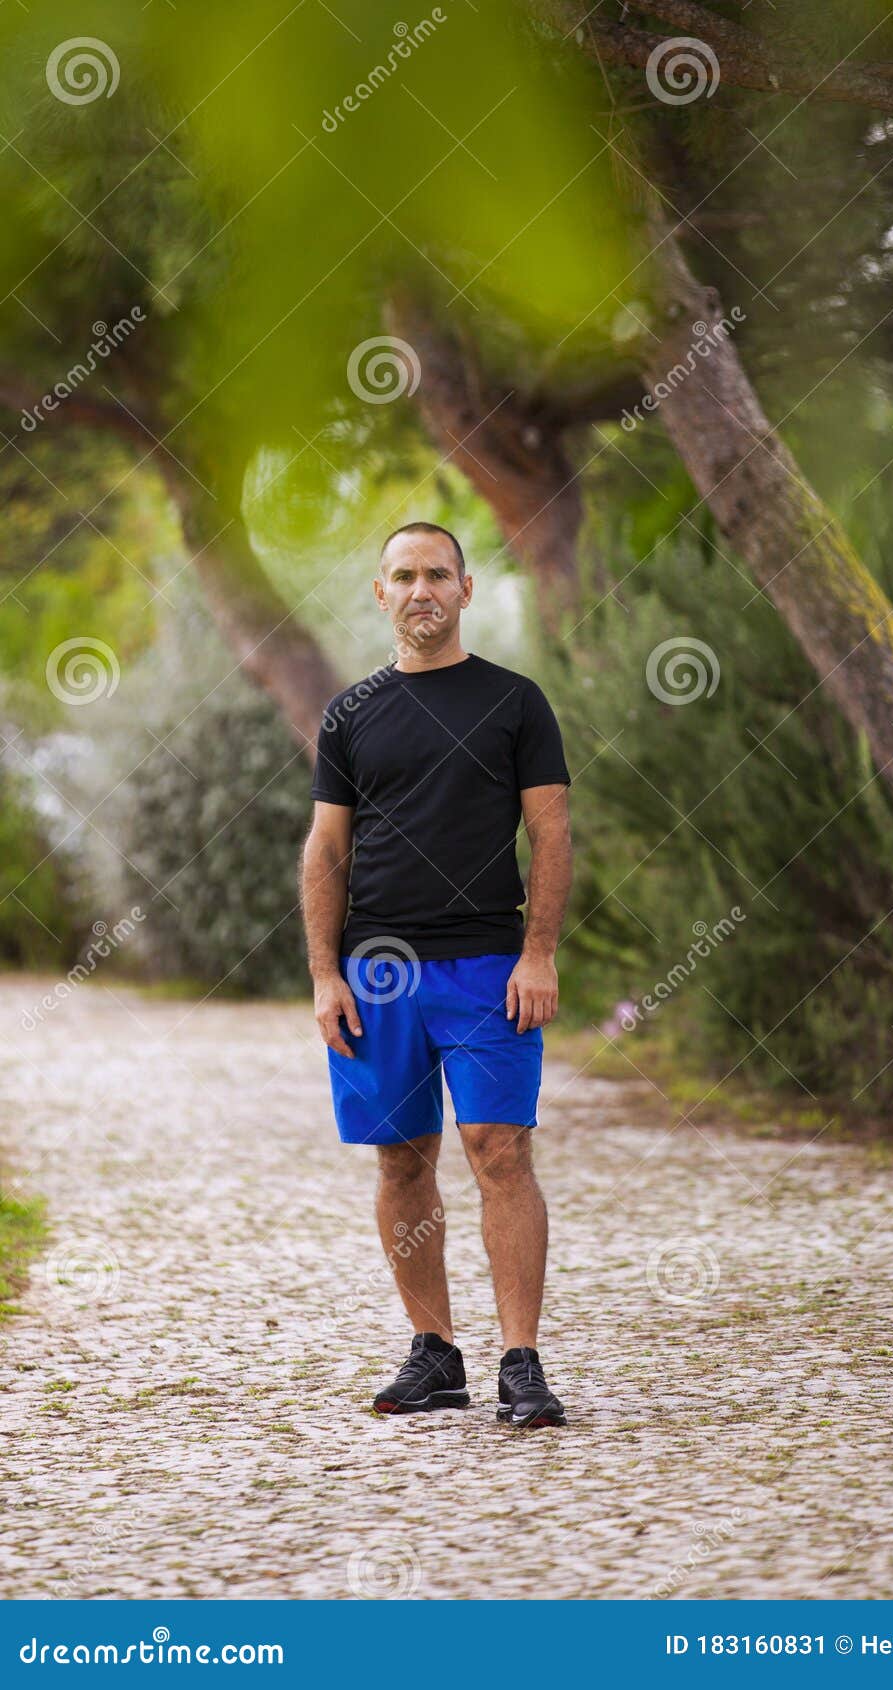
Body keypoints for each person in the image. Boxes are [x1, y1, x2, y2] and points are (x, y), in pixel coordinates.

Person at [300, 522, 573, 1429]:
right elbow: (327, 847)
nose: (422, 590)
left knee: (500, 1151)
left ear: (465, 588)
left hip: (489, 967)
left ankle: (520, 1361)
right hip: (374, 976)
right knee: (400, 1160)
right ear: (381, 592)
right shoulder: (349, 714)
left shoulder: (515, 702)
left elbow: (552, 834)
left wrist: (538, 954)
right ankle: (436, 1352)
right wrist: (323, 973)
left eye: (438, 575)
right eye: (404, 575)